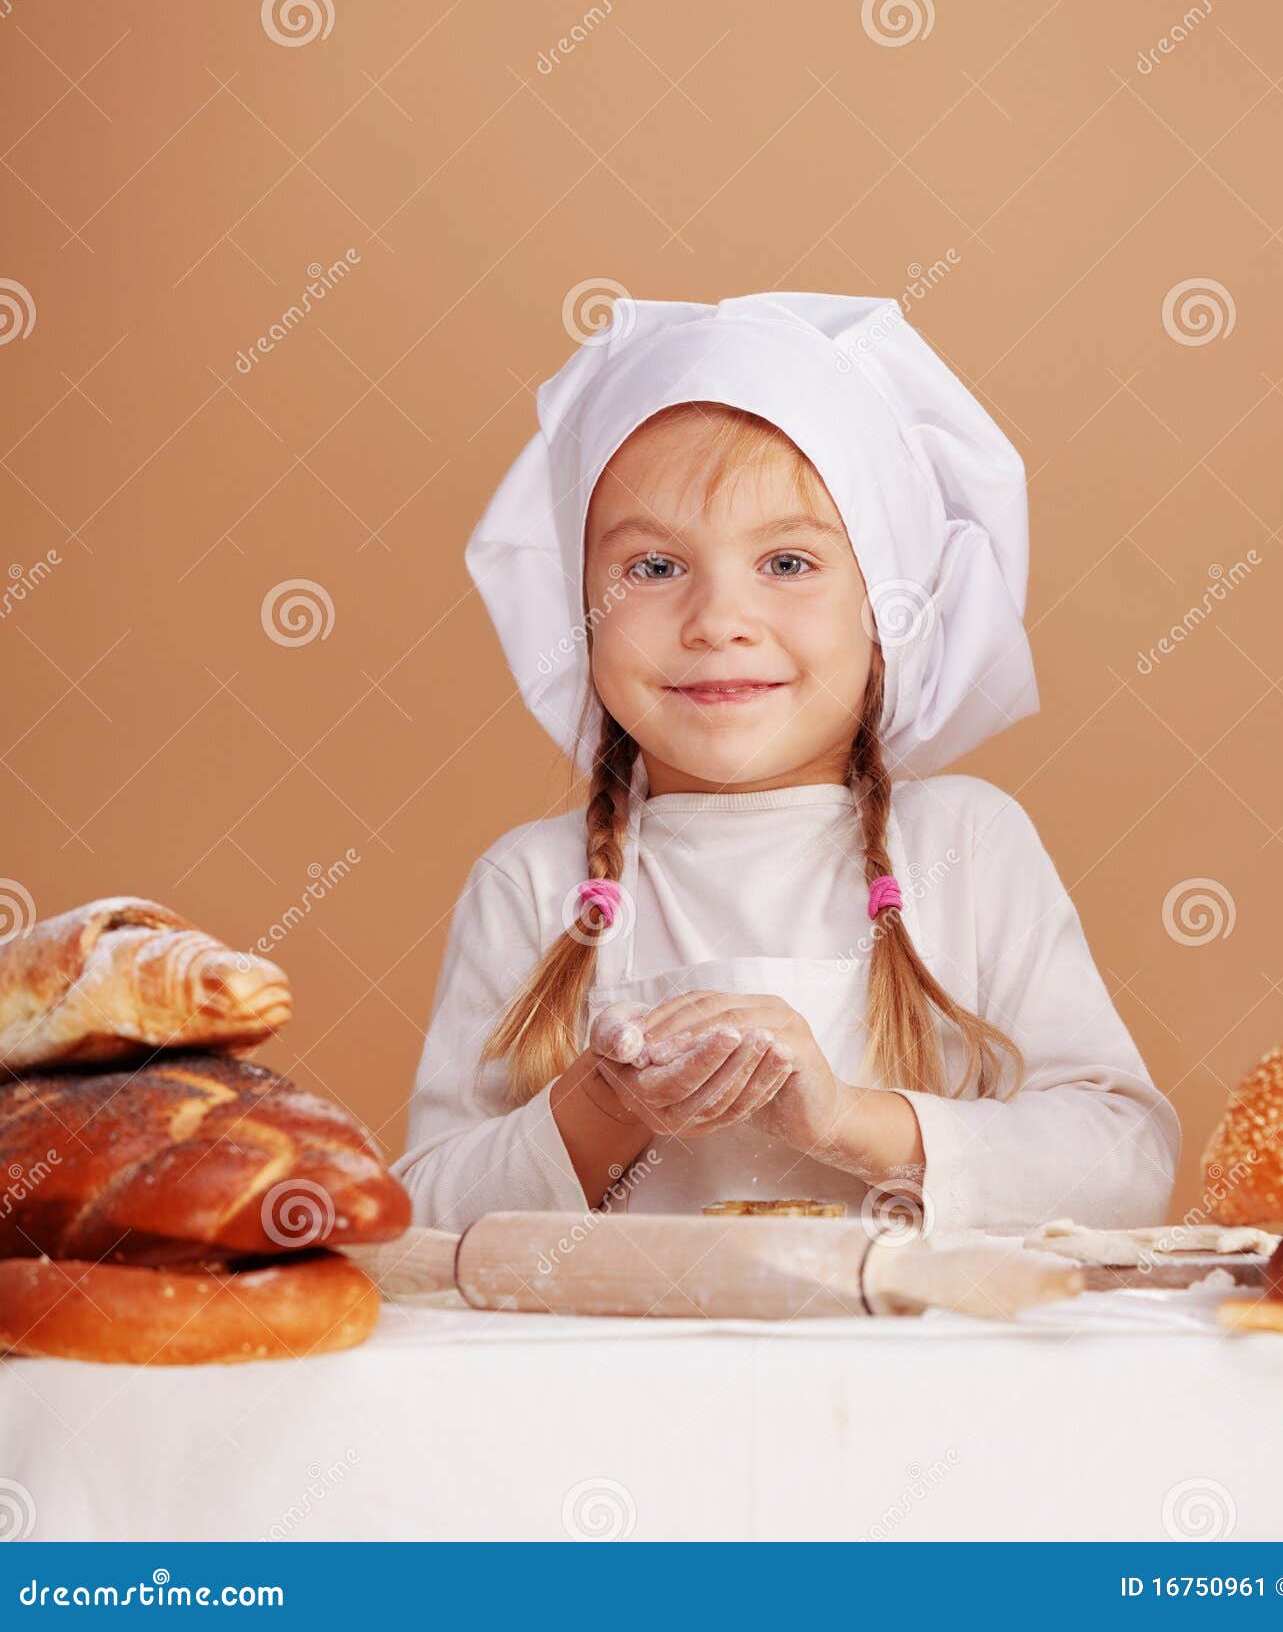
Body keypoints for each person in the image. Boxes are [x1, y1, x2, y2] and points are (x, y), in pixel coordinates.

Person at [392, 292, 1181, 1233]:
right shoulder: (532, 882)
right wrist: (603, 1111)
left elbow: (1123, 1165)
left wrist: (847, 1122)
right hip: (630, 1381)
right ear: (579, 615)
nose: (717, 619)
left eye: (787, 563)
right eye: (652, 567)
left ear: (888, 613)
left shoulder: (968, 848)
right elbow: (425, 1216)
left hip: (915, 1378)